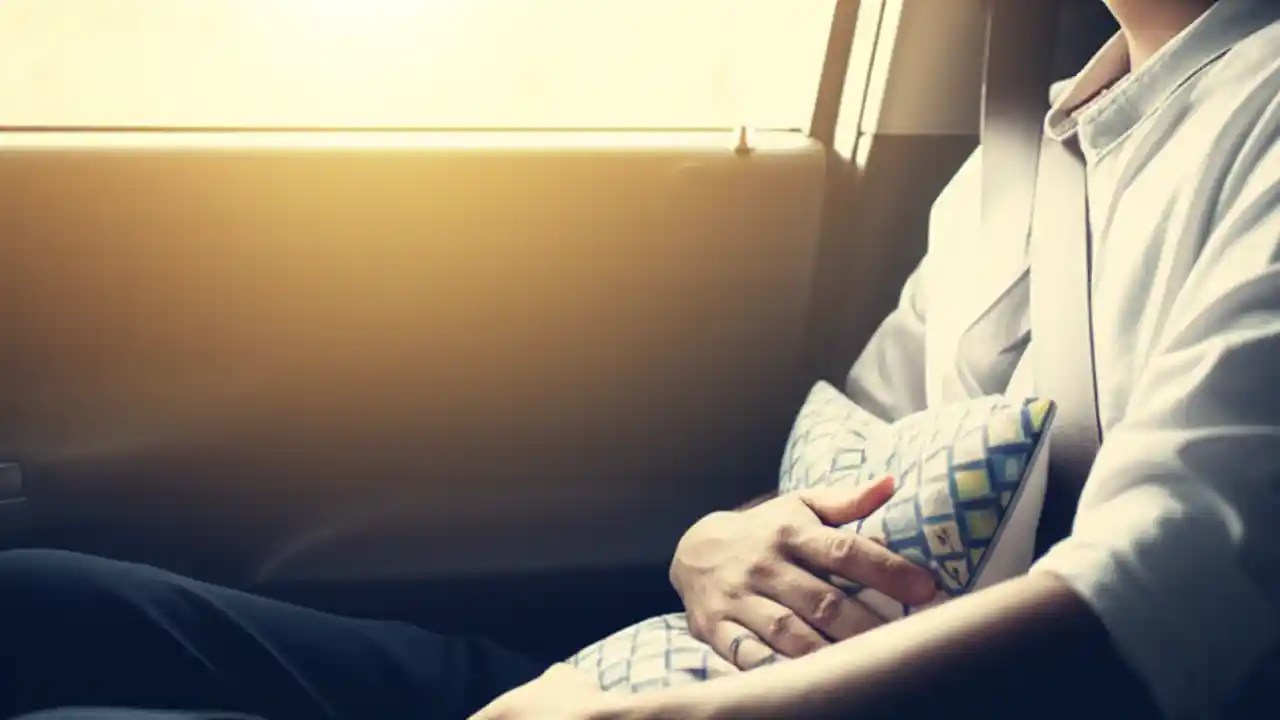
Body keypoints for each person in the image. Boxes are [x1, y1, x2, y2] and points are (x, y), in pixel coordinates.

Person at [5, 0, 1278, 718]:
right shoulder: (1023, 162)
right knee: (35, 597)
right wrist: (711, 545)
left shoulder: (1260, 116)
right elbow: (861, 452)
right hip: (688, 667)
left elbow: (1149, 614)